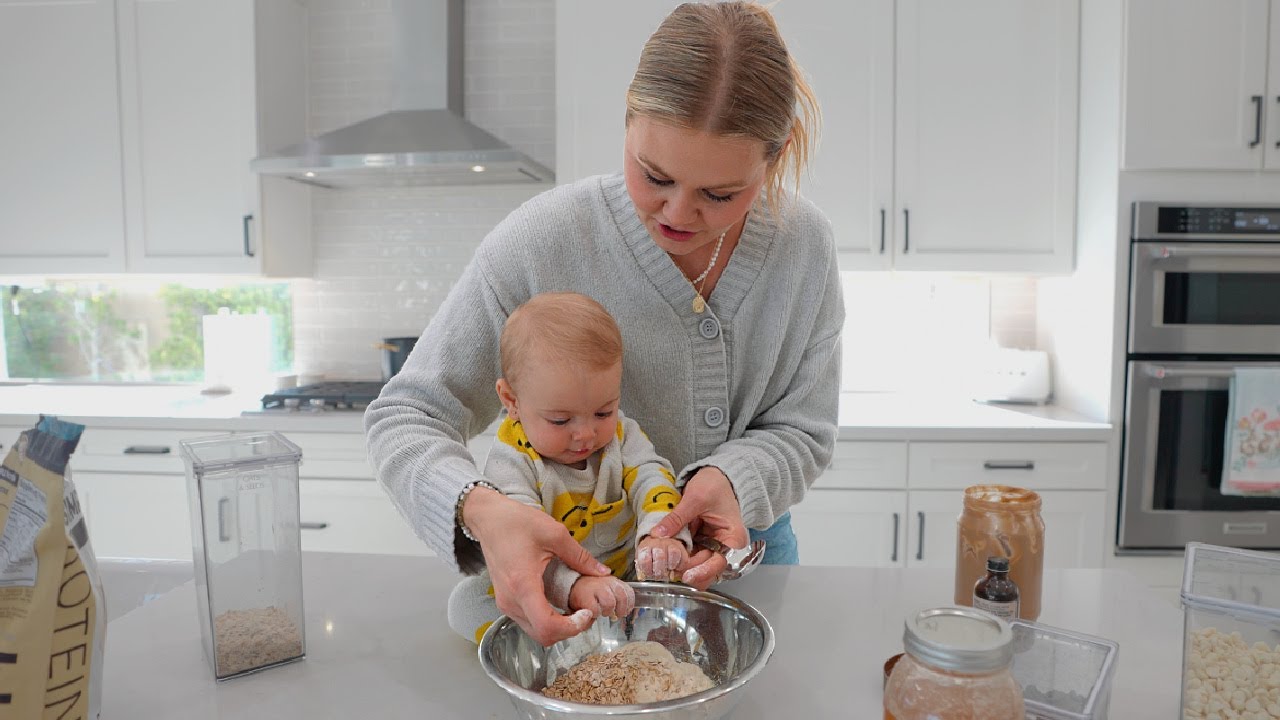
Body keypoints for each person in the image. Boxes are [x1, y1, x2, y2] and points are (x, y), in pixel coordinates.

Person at [365, 0, 843, 646]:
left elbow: (804, 431)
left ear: (774, 157)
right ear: (627, 122)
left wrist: (734, 479)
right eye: (654, 176)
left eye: (720, 195)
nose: (678, 213)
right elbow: (405, 416)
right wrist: (483, 511)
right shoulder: (541, 242)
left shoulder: (804, 247)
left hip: (751, 573)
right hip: (584, 596)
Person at [446, 292, 692, 644]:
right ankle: (563, 627)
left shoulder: (622, 435)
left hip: (625, 573)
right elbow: (526, 550)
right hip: (547, 580)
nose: (586, 434)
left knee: (678, 578)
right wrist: (574, 588)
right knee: (466, 605)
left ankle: (617, 622)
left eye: (603, 412)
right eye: (561, 420)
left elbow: (652, 477)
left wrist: (659, 535)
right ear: (512, 401)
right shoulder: (511, 460)